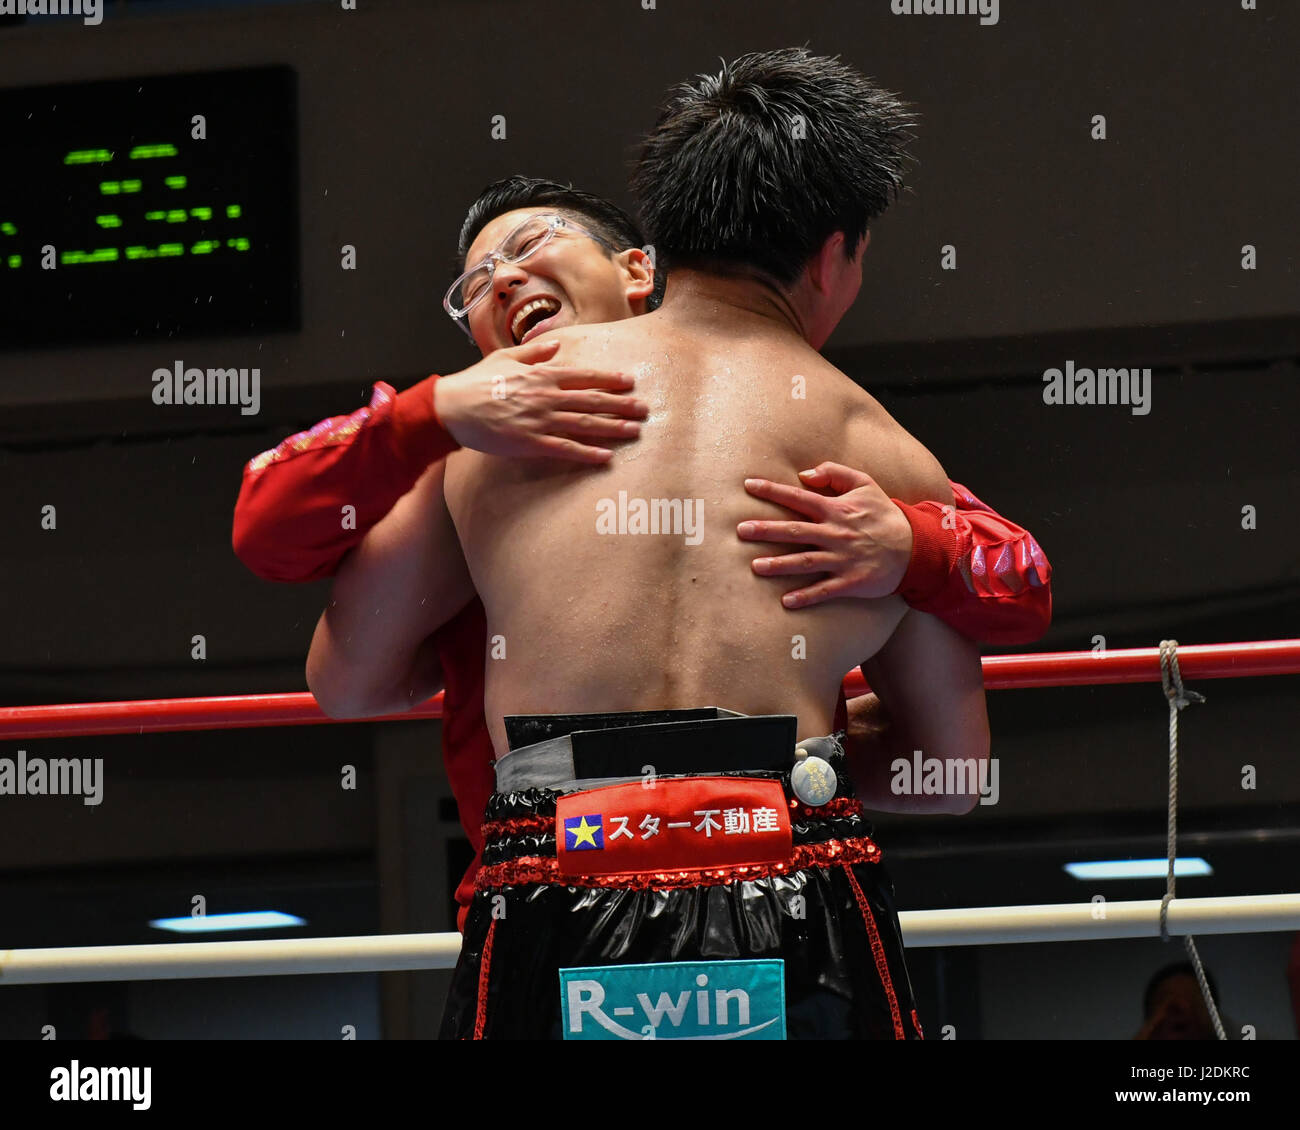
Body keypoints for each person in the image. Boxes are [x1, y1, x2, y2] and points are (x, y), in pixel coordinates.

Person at [313, 47, 999, 1040]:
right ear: (831, 255)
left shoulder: (513, 408)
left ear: (662, 243)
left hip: (554, 851)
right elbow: (953, 768)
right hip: (790, 858)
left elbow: (343, 680)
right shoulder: (885, 455)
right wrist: (788, 742)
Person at [232, 176, 1050, 932]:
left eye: (527, 247)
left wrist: (915, 548)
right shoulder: (464, 450)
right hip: (706, 863)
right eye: (475, 287)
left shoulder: (820, 435)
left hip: (593, 876)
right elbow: (273, 546)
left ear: (636, 269)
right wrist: (435, 411)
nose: (503, 282)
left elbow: (1021, 583)